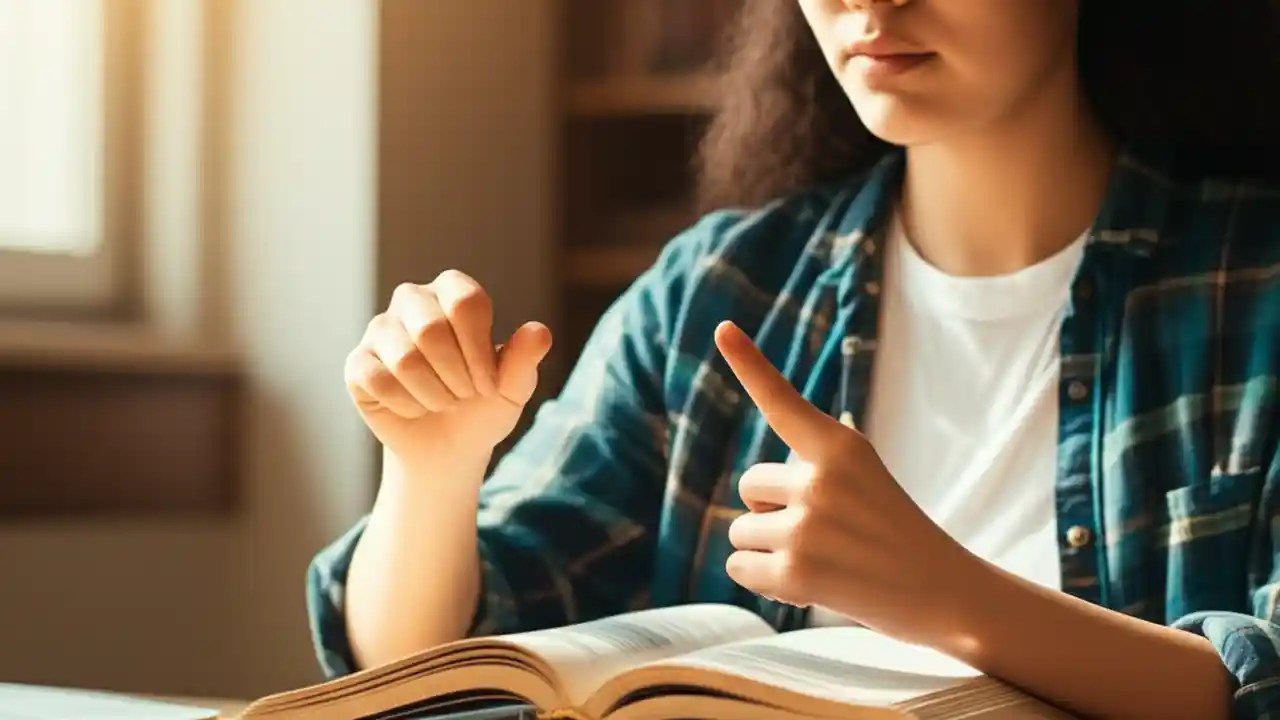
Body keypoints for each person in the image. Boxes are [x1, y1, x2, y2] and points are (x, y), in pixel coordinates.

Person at [308, 1, 1280, 718]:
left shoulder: (1253, 290)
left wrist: (945, 595)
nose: (869, 2)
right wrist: (428, 472)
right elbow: (428, 664)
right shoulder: (717, 293)